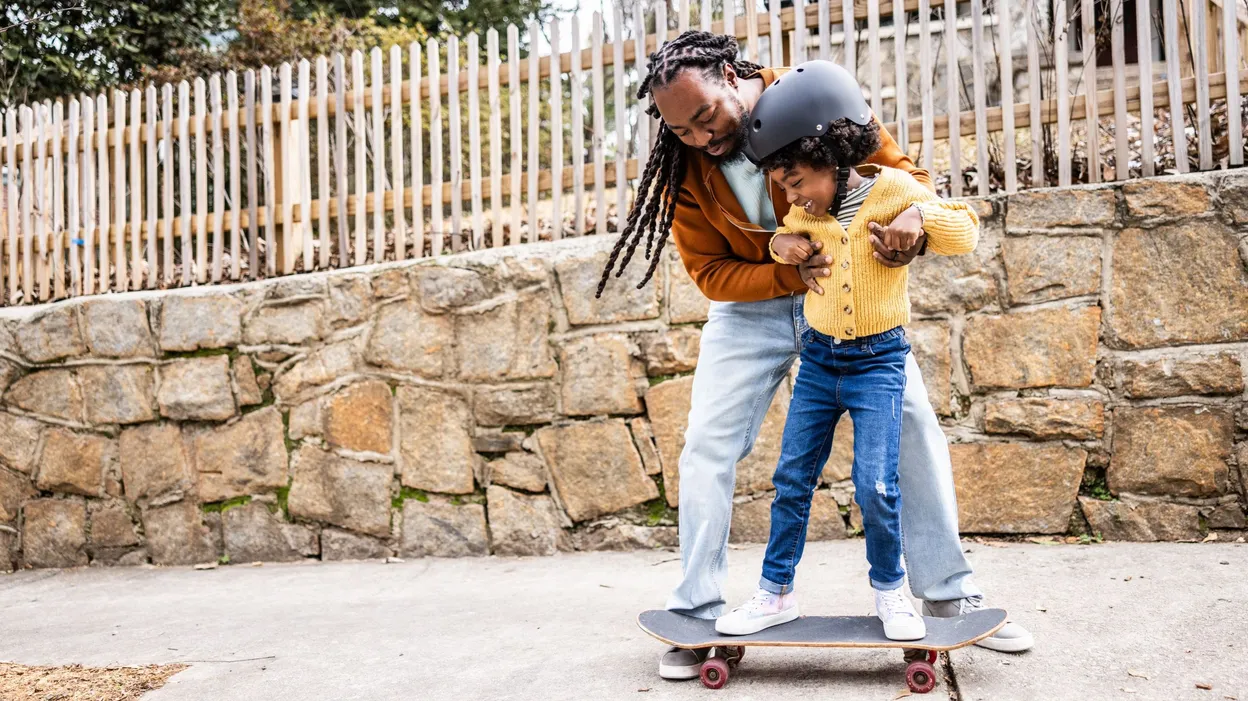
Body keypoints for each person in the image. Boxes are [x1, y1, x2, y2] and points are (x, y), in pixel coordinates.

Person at [595, 31, 1034, 681]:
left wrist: (913, 227)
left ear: (728, 75)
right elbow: (710, 273)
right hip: (753, 305)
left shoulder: (812, 100)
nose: (699, 137)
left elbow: (901, 178)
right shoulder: (684, 165)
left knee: (913, 429)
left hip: (852, 305)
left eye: (706, 117)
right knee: (707, 443)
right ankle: (694, 612)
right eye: (680, 129)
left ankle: (948, 595)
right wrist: (787, 271)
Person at [711, 60, 979, 642]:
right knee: (791, 479)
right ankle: (775, 593)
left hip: (879, 362)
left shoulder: (893, 192)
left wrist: (919, 215)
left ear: (832, 154)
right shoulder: (806, 212)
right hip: (818, 362)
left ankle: (891, 592)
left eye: (796, 181)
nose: (791, 197)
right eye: (783, 188)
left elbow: (965, 229)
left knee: (876, 485)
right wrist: (783, 243)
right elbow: (784, 240)